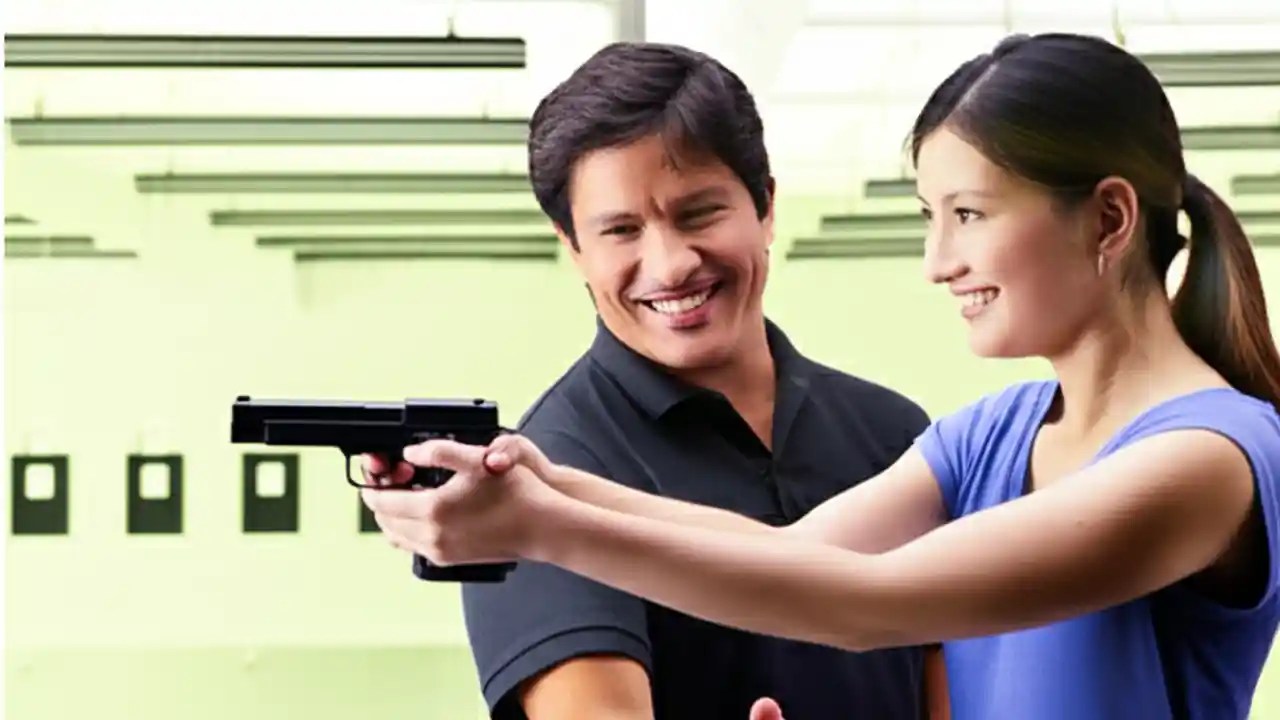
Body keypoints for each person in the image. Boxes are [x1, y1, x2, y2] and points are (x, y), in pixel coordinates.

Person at [364, 31, 1280, 720]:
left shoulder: (1203, 462)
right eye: (931, 216)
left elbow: (868, 604)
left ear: (1110, 219)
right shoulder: (992, 433)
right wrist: (547, 482)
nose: (938, 261)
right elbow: (801, 553)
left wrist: (540, 525)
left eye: (968, 214)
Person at [364, 41, 947, 719]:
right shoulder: (535, 487)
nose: (669, 265)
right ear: (572, 247)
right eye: (620, 230)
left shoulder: (894, 436)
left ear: (765, 205)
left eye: (699, 214)